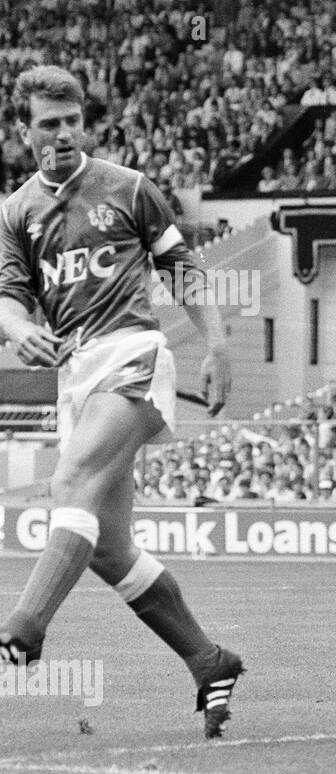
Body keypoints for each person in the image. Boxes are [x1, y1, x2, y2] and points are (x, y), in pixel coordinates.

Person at [0, 66, 244, 739]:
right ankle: (208, 659)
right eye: (48, 124)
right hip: (76, 376)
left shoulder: (130, 189)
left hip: (132, 355)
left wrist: (216, 345)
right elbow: (8, 301)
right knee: (107, 547)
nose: (63, 134)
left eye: (72, 120)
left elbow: (182, 266)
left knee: (69, 483)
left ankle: (22, 628)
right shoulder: (16, 211)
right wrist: (22, 333)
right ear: (24, 133)